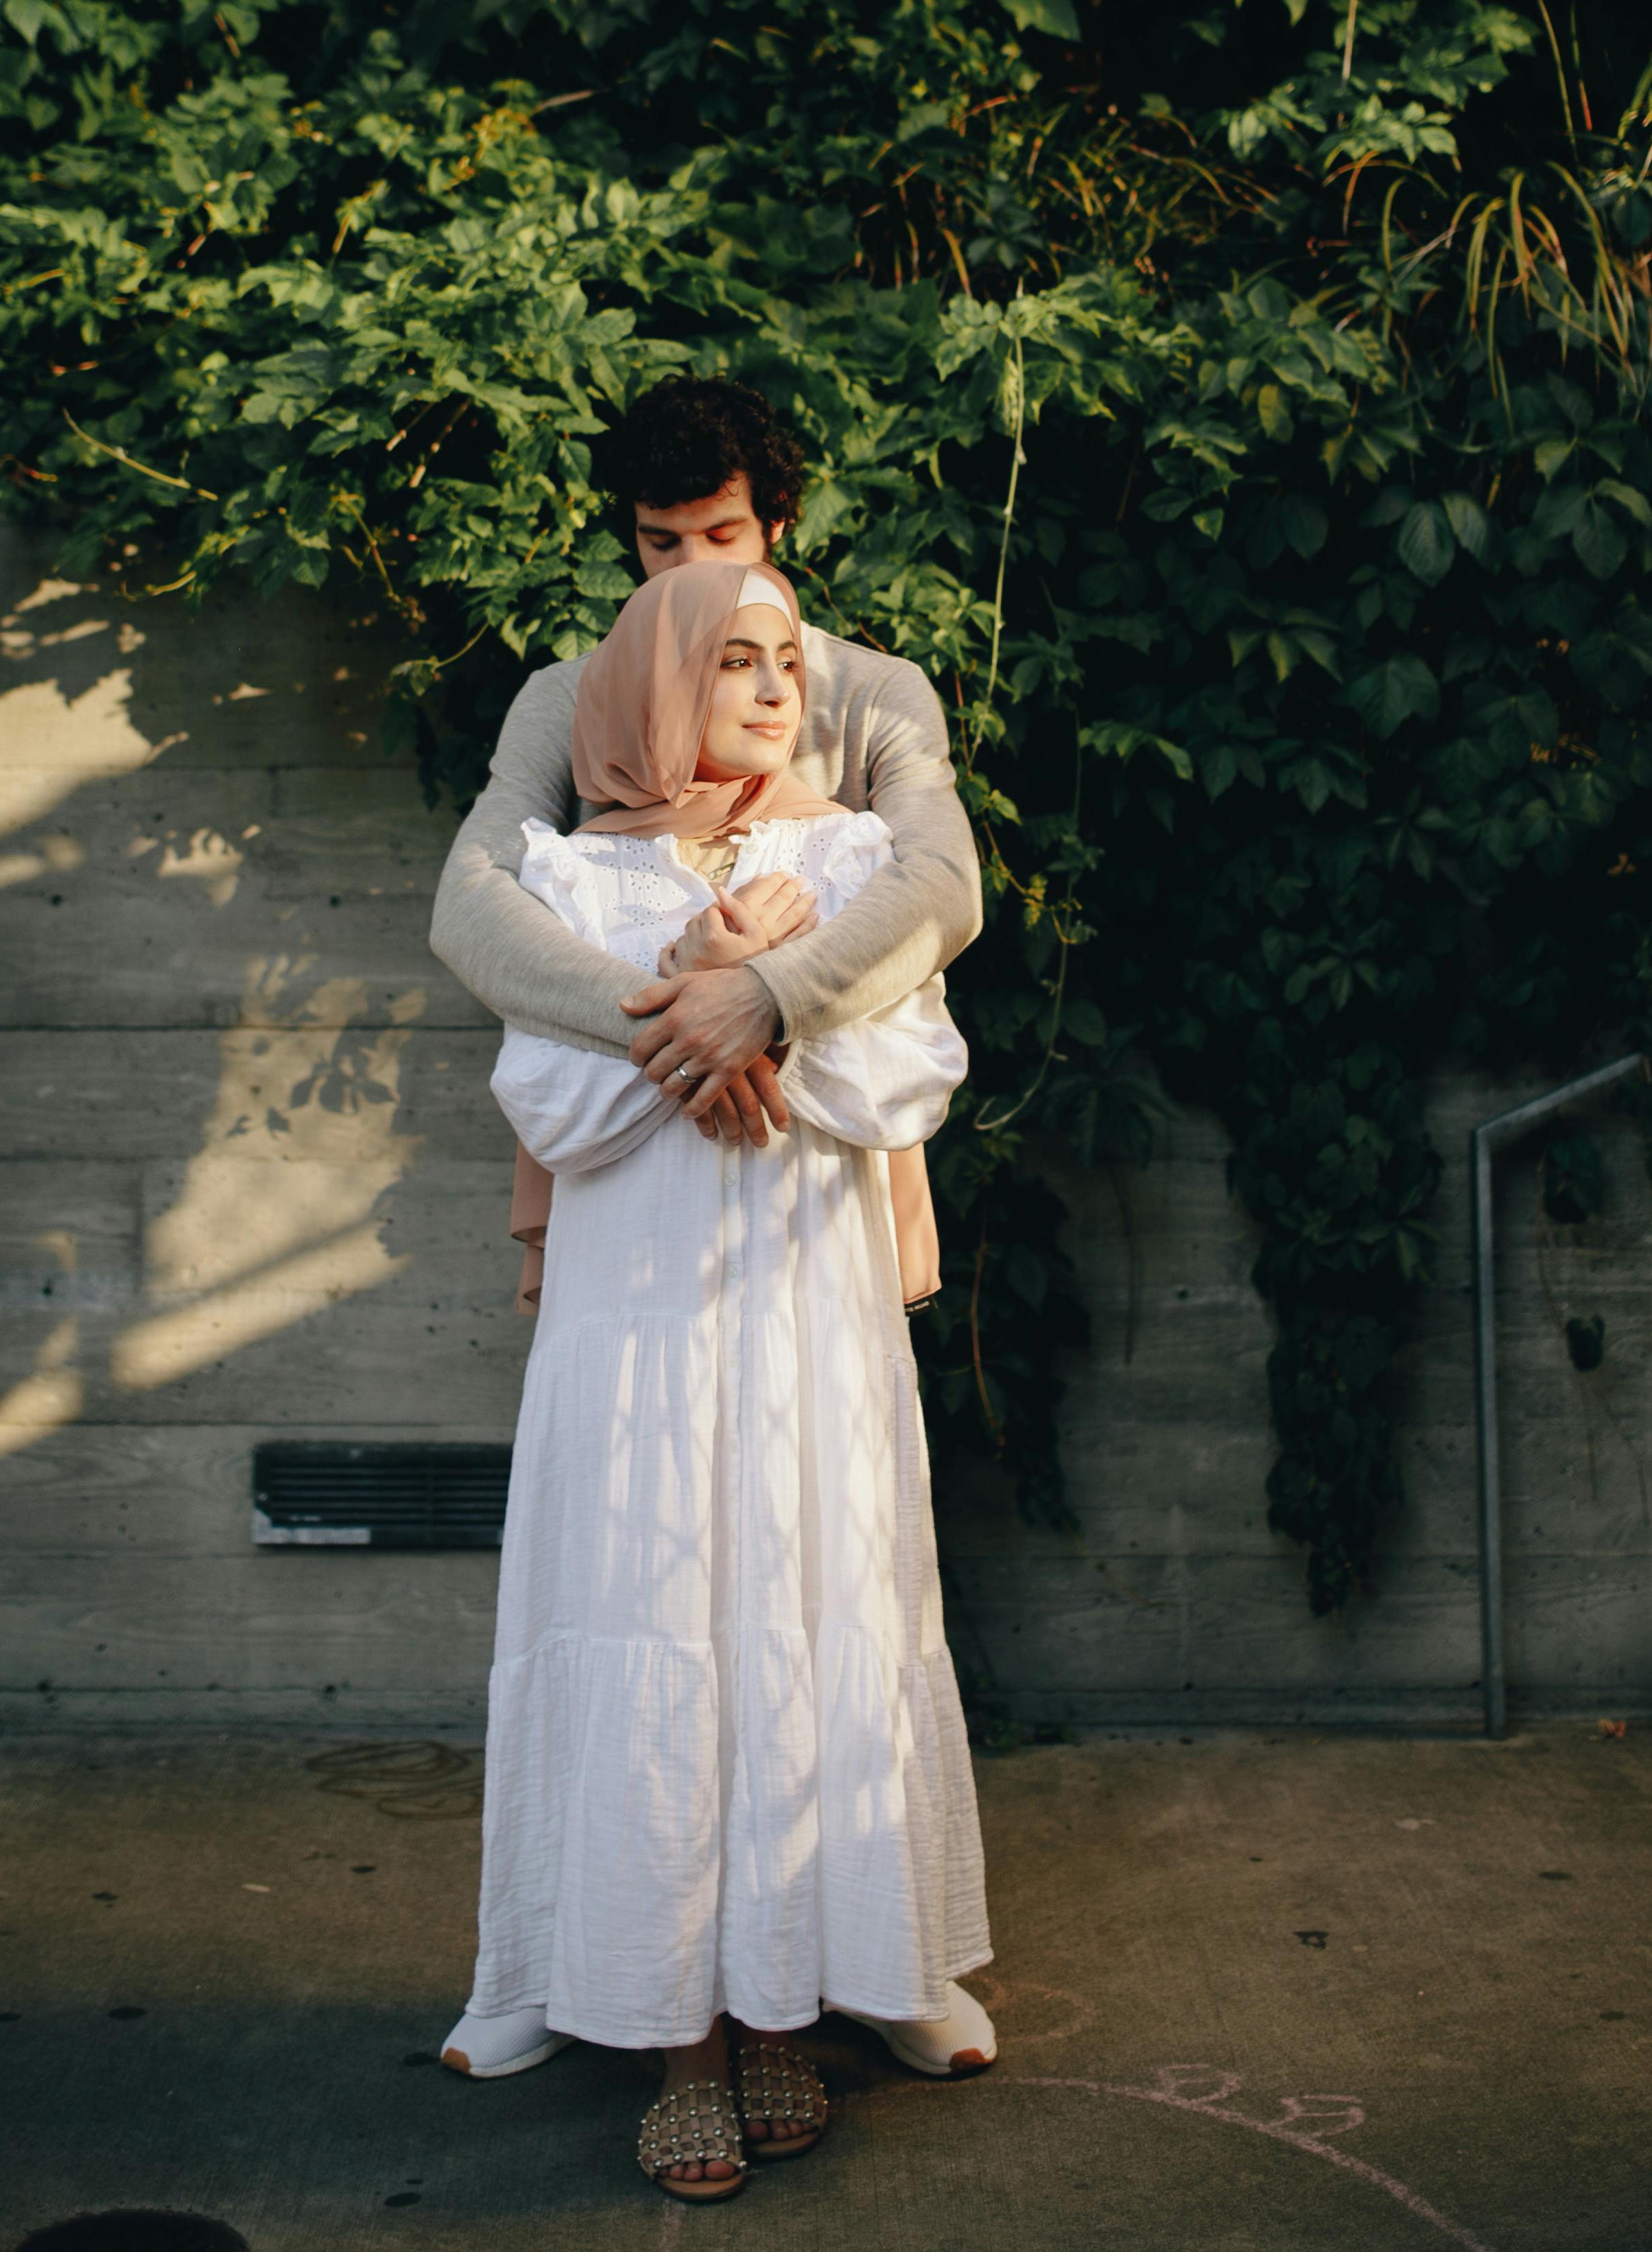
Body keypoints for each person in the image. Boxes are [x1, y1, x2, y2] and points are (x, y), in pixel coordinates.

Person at [439, 559, 993, 2201]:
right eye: (735, 661)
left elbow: (911, 1070)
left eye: (786, 662)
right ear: (655, 681)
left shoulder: (850, 858)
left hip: (809, 1333)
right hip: (639, 1345)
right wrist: (692, 977)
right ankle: (677, 2046)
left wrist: (770, 1018)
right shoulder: (569, 878)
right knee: (658, 1633)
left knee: (806, 1629)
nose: (773, 689)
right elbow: (553, 1105)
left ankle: (780, 2019)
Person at [429, 380, 984, 1304]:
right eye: (661, 541)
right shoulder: (567, 697)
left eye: (721, 535)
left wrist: (767, 999)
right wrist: (675, 1029)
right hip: (632, 1136)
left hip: (823, 1137)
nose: (688, 564)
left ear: (778, 524)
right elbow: (471, 902)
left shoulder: (872, 692)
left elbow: (942, 885)